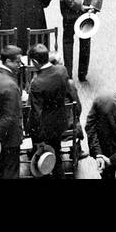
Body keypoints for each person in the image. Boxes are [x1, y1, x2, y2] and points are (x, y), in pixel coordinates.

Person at [27, 44, 78, 178]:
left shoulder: (37, 83)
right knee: (56, 154)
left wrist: (37, 136)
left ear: (35, 62)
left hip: (45, 129)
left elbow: (36, 112)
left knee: (44, 162)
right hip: (61, 122)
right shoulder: (62, 70)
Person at [0, 46, 24, 179]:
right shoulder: (11, 86)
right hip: (10, 138)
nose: (20, 65)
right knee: (10, 173)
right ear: (7, 61)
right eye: (17, 62)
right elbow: (10, 116)